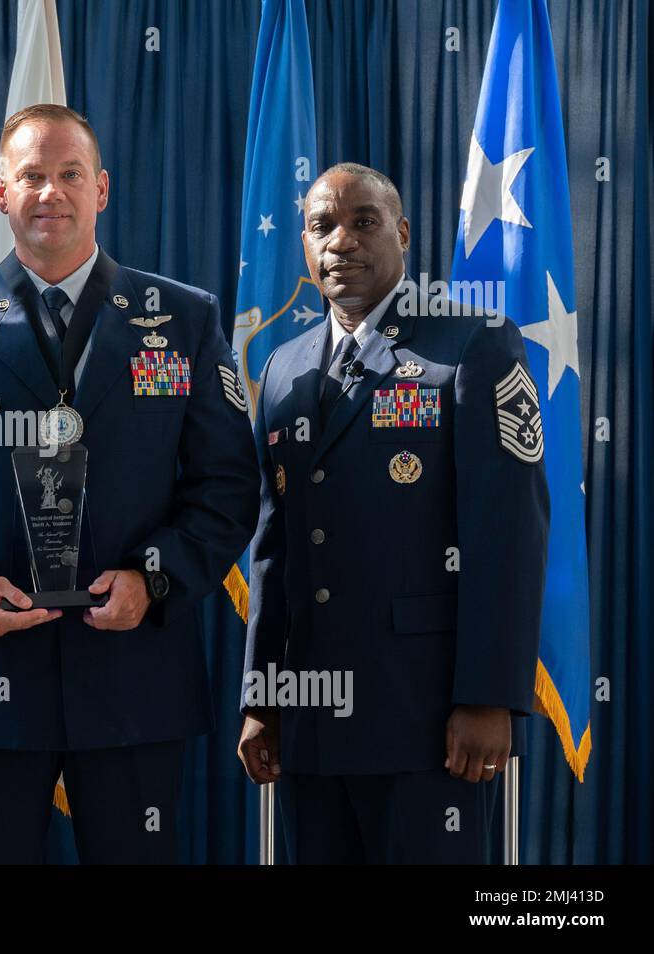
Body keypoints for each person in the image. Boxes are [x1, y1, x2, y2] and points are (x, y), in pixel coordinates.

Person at [0, 104, 260, 863]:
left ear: (101, 190)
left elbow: (228, 486)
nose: (52, 192)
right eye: (32, 176)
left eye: (70, 174)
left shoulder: (181, 317)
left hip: (134, 676)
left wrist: (155, 578)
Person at [237, 163, 549, 863]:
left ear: (402, 234)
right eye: (321, 226)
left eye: (363, 222)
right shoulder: (284, 368)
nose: (340, 241)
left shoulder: (472, 344)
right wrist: (263, 694)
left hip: (427, 720)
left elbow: (508, 536)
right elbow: (272, 547)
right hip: (312, 721)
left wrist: (490, 696)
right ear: (304, 245)